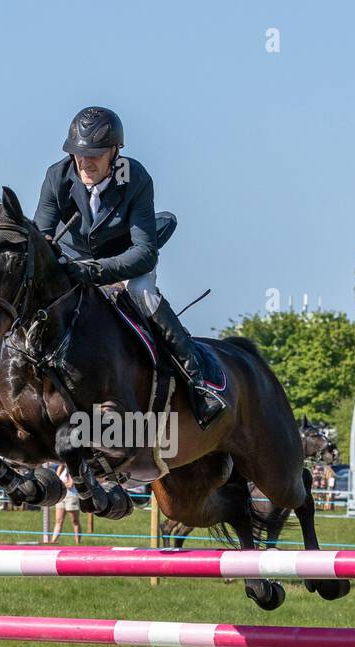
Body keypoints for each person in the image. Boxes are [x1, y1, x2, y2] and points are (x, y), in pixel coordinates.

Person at [34, 106, 226, 429]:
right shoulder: (57, 176)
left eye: (94, 154)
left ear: (114, 151)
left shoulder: (135, 179)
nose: (84, 161)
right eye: (78, 153)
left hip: (125, 266)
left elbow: (144, 253)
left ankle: (197, 382)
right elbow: (42, 237)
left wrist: (95, 272)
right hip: (70, 267)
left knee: (143, 293)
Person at [48, 462, 82, 544]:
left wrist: (61, 483)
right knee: (59, 521)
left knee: (75, 521)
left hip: (72, 497)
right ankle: (53, 541)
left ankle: (77, 543)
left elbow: (70, 485)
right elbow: (57, 481)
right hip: (61, 498)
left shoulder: (74, 471)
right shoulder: (60, 470)